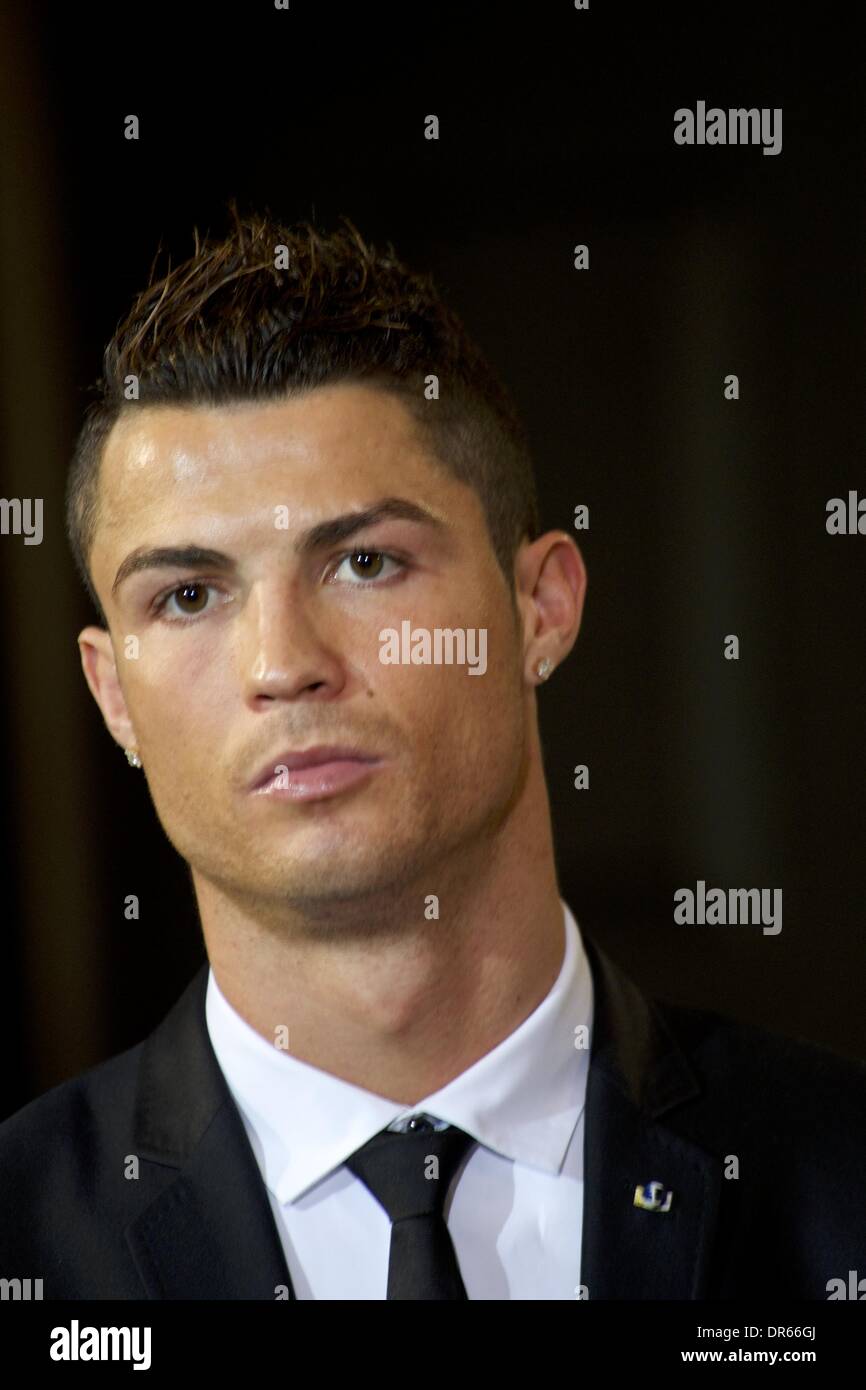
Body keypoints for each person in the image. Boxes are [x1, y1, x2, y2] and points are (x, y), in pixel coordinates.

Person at [1, 208, 864, 1300]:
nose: (282, 662)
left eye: (363, 562)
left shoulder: (838, 1187)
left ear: (539, 606)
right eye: (187, 595)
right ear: (113, 694)